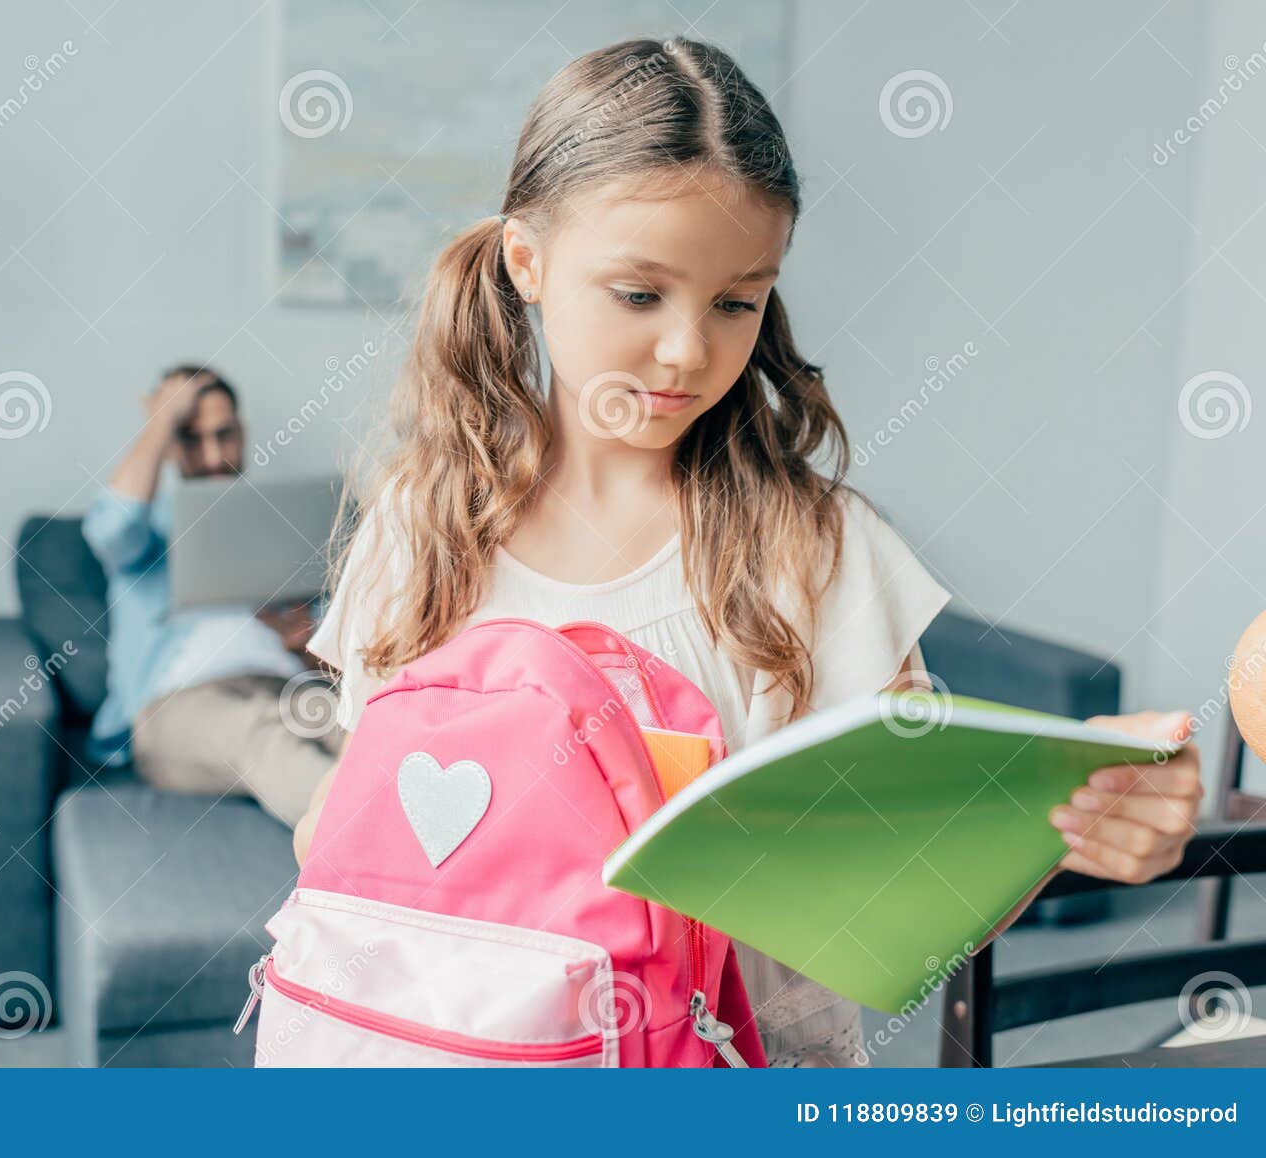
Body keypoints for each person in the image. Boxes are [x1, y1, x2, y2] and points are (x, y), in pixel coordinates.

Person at [295, 38, 1203, 1067]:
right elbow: (339, 840)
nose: (688, 351)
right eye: (639, 295)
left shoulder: (817, 549)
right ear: (525, 261)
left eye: (736, 301)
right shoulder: (424, 523)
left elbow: (906, 902)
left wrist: (1069, 820)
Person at [81, 364, 337, 829]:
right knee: (259, 731)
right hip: (177, 705)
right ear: (171, 443)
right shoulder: (148, 530)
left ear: (244, 432)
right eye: (192, 439)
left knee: (375, 725)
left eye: (225, 435)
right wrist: (160, 421)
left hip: (287, 688)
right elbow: (109, 528)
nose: (215, 456)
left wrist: (303, 641)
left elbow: (337, 663)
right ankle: (375, 847)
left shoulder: (284, 522)